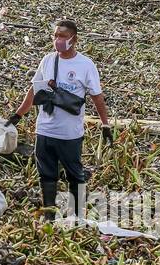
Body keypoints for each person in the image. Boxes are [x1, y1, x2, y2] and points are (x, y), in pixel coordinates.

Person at [8, 19, 112, 217]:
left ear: (74, 39)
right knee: (46, 175)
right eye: (56, 35)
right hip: (45, 130)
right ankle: (50, 215)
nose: (58, 40)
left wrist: (105, 124)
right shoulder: (48, 60)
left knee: (75, 174)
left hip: (70, 133)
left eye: (63, 36)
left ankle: (77, 216)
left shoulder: (85, 65)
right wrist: (18, 115)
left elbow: (97, 97)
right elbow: (34, 90)